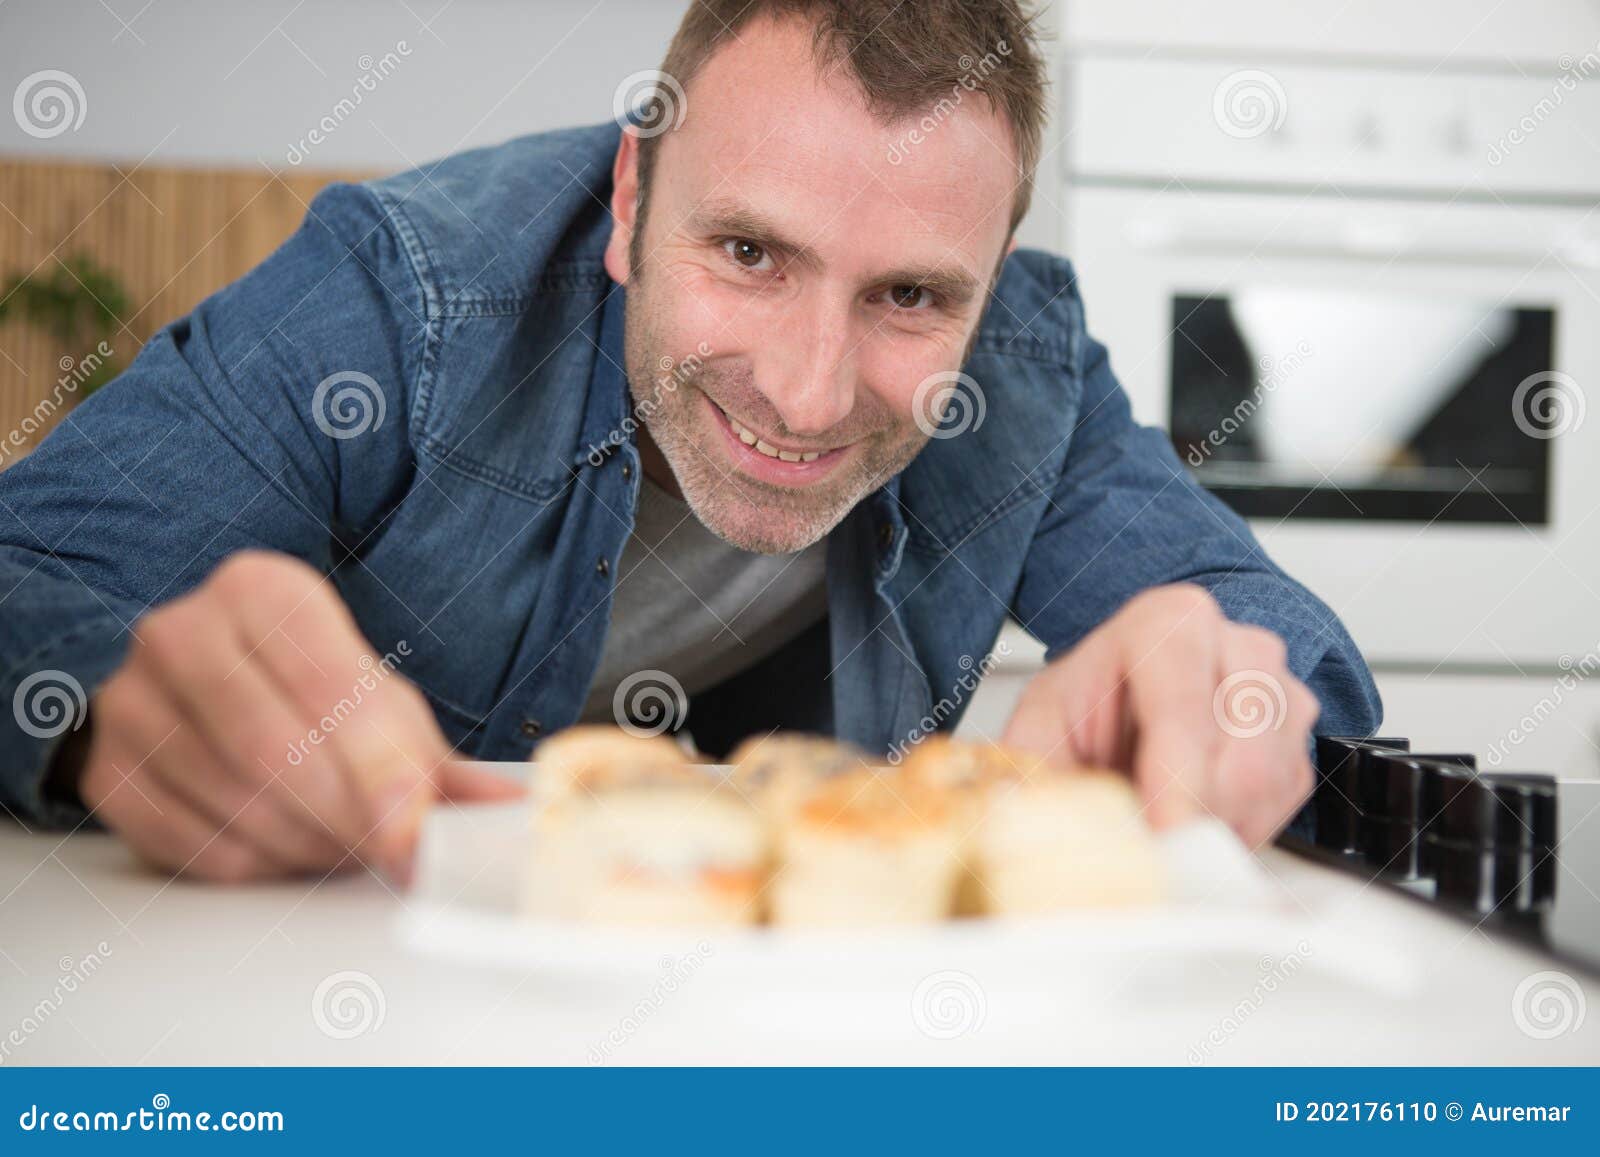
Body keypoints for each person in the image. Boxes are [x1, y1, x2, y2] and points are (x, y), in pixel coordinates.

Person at [0, 0, 1379, 883]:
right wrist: (113, 706)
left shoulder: (1019, 366)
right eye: (748, 250)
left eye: (910, 293)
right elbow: (26, 572)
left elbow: (1269, 630)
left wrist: (1238, 700)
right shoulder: (400, 293)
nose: (808, 390)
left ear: (995, 269)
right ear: (629, 192)